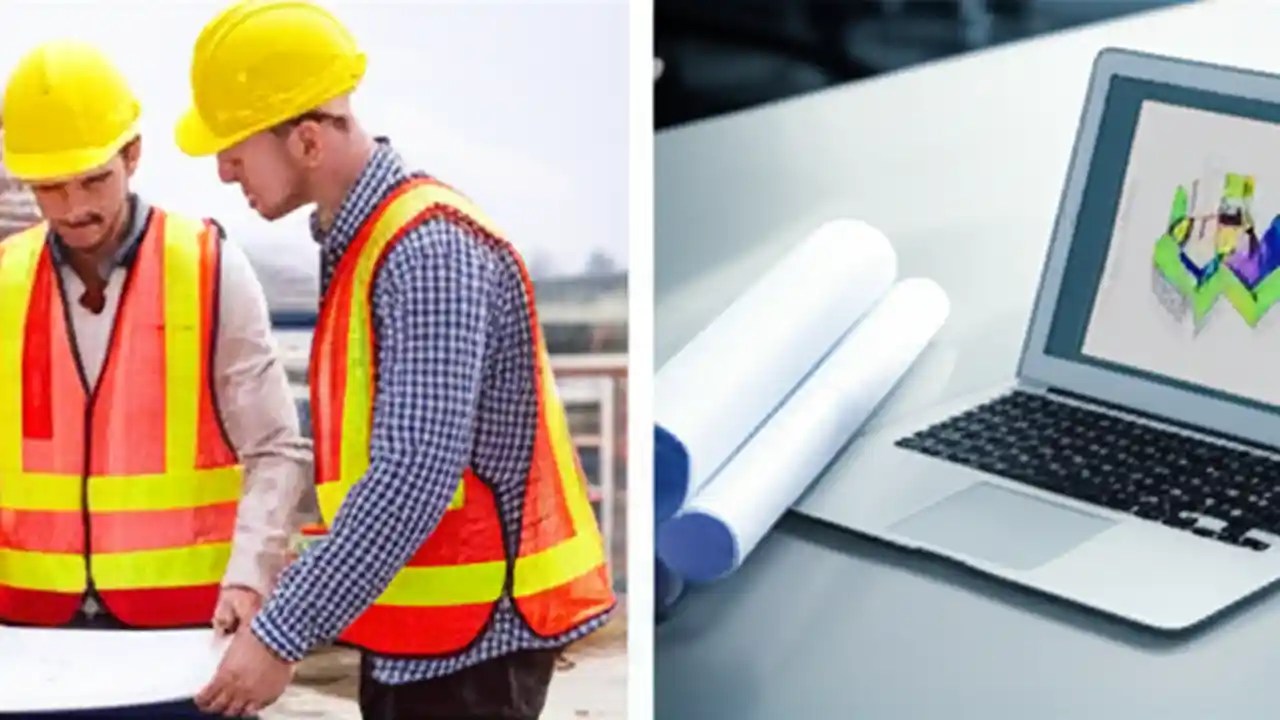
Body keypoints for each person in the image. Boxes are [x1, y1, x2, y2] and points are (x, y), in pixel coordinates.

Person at [175, 1, 618, 718]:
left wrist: (283, 635)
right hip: (424, 639)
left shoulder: (425, 252)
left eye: (234, 146)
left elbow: (413, 476)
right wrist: (290, 583)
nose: (224, 170)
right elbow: (374, 470)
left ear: (309, 142)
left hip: (469, 655)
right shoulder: (368, 244)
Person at [0, 39, 310, 719]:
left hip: (183, 644)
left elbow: (275, 450)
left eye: (93, 180)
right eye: (50, 187)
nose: (73, 206)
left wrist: (250, 577)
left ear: (132, 156)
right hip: (28, 645)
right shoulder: (3, 281)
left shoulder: (207, 266)